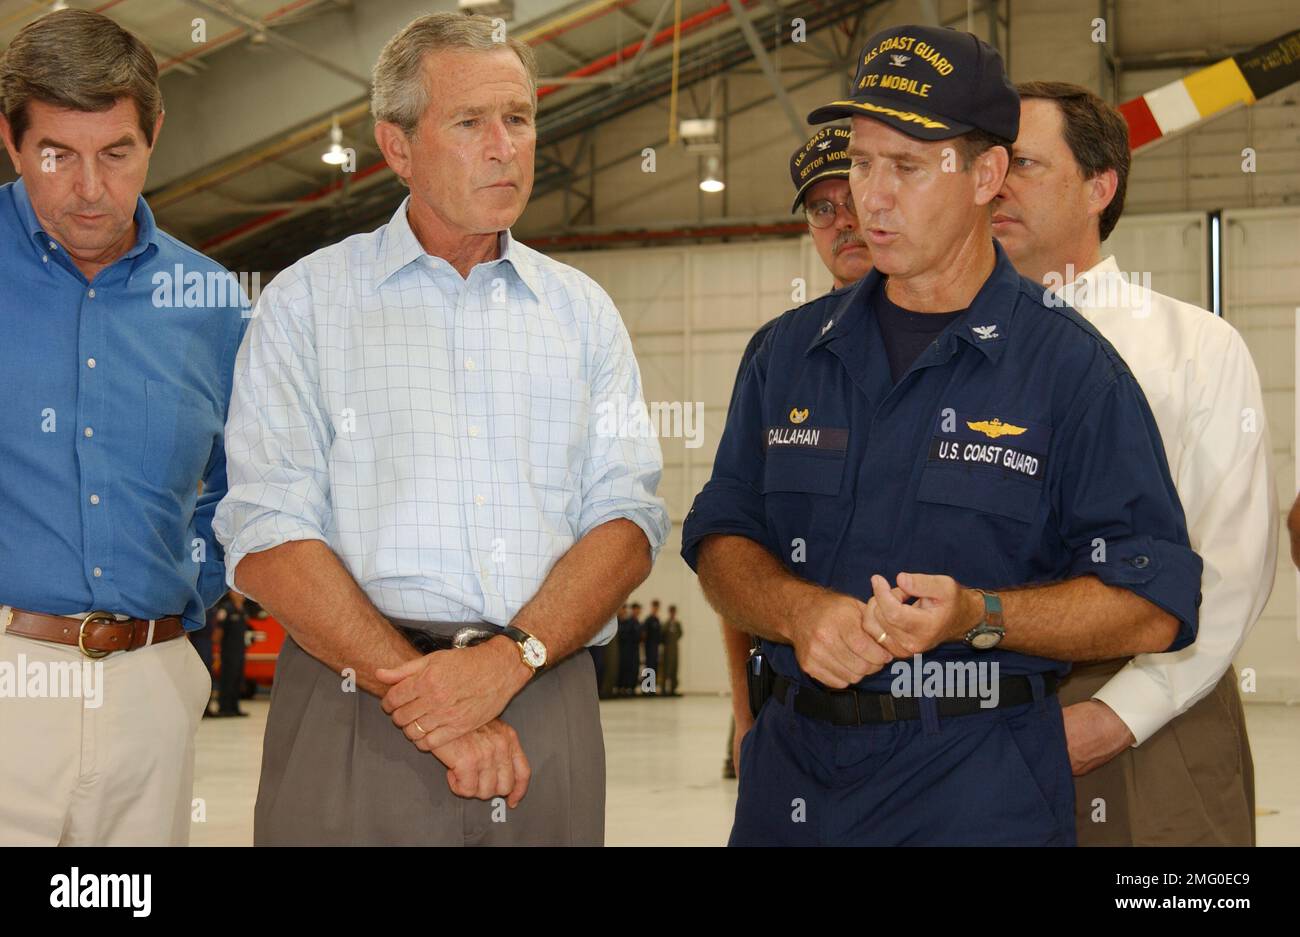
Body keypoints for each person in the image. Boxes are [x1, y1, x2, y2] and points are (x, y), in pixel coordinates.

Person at [681, 24, 1201, 846]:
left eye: (907, 167)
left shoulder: (1073, 373)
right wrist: (796, 608)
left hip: (978, 784)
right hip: (795, 782)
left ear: (985, 176)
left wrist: (979, 615)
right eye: (859, 161)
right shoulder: (786, 356)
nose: (868, 198)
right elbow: (721, 537)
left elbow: (1151, 603)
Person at [213, 12, 668, 846]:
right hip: (357, 704)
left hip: (543, 696)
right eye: (470, 122)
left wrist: (506, 663)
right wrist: (432, 699)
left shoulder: (583, 315)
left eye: (520, 118)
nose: (507, 146)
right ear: (395, 148)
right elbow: (267, 529)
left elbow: (628, 519)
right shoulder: (307, 305)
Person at [994, 81, 1275, 845]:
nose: (996, 184)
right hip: (978, 715)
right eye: (988, 162)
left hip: (1161, 720)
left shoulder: (1194, 347)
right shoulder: (952, 354)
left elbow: (1233, 566)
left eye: (1023, 162)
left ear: (1100, 185)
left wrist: (1119, 714)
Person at [0, 9, 245, 845]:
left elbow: (237, 483)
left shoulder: (212, 303)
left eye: (117, 153)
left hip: (153, 687)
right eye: (55, 156)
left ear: (155, 134)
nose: (90, 189)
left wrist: (187, 611)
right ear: (10, 138)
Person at [721, 125, 872, 778]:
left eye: (858, 196)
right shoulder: (775, 357)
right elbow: (734, 540)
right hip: (798, 723)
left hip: (946, 724)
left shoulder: (978, 340)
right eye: (822, 209)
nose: (845, 222)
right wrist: (744, 717)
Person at [618, 602, 643, 695]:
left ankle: (631, 687)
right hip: (627, 649)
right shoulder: (628, 622)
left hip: (635, 649)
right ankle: (624, 687)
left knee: (634, 668)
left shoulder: (637, 622)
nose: (637, 611)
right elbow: (626, 636)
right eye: (635, 609)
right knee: (626, 668)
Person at [662, 604, 683, 696]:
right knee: (667, 669)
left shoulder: (677, 624)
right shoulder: (666, 623)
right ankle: (664, 689)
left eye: (674, 612)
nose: (673, 614)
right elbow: (662, 634)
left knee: (675, 669)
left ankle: (673, 689)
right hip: (667, 650)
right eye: (671, 612)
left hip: (675, 650)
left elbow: (680, 634)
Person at [642, 599, 662, 694]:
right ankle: (646, 689)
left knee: (654, 667)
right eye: (654, 607)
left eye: (657, 607)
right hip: (649, 647)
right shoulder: (648, 620)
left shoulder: (657, 620)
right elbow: (644, 634)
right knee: (649, 667)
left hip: (655, 648)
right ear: (652, 607)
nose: (655, 609)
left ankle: (652, 689)